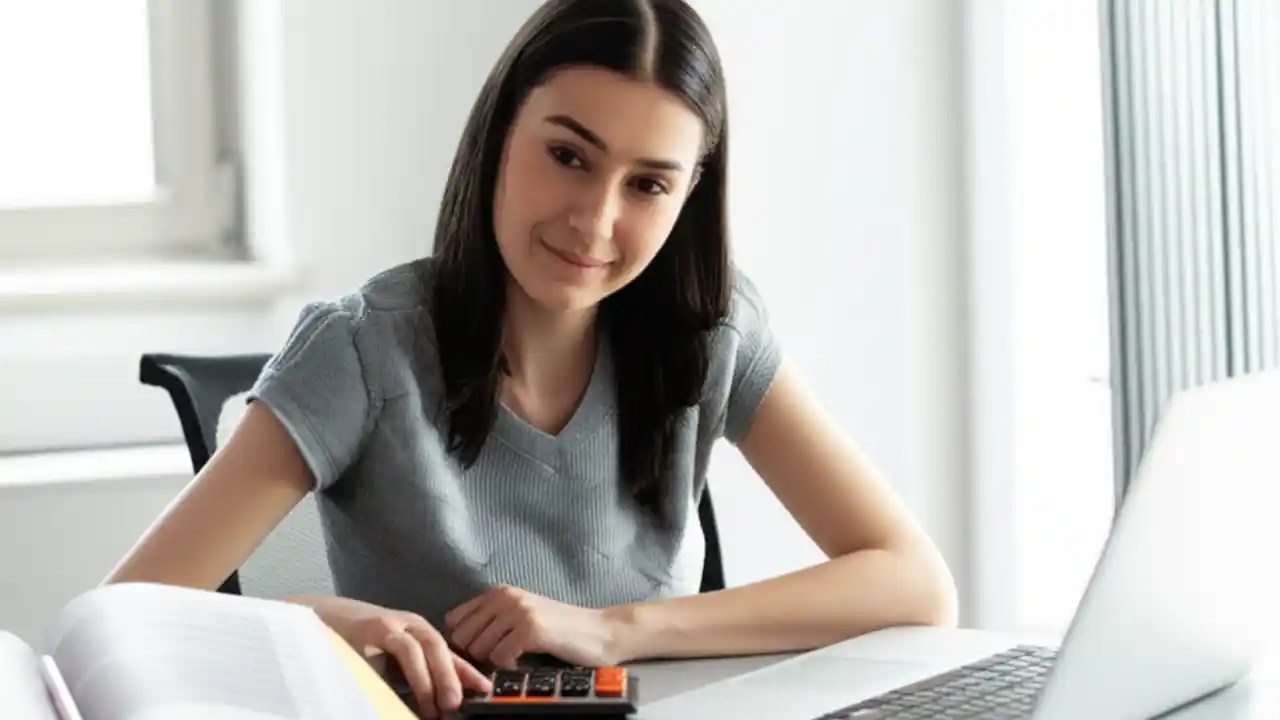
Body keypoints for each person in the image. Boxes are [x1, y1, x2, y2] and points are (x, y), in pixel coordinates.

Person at [105, 0, 957, 717]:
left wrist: (616, 630)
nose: (595, 221)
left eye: (648, 184)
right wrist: (327, 622)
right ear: (502, 133)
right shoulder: (363, 346)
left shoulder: (712, 330)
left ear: (688, 195)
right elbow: (126, 616)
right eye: (568, 157)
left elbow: (915, 586)